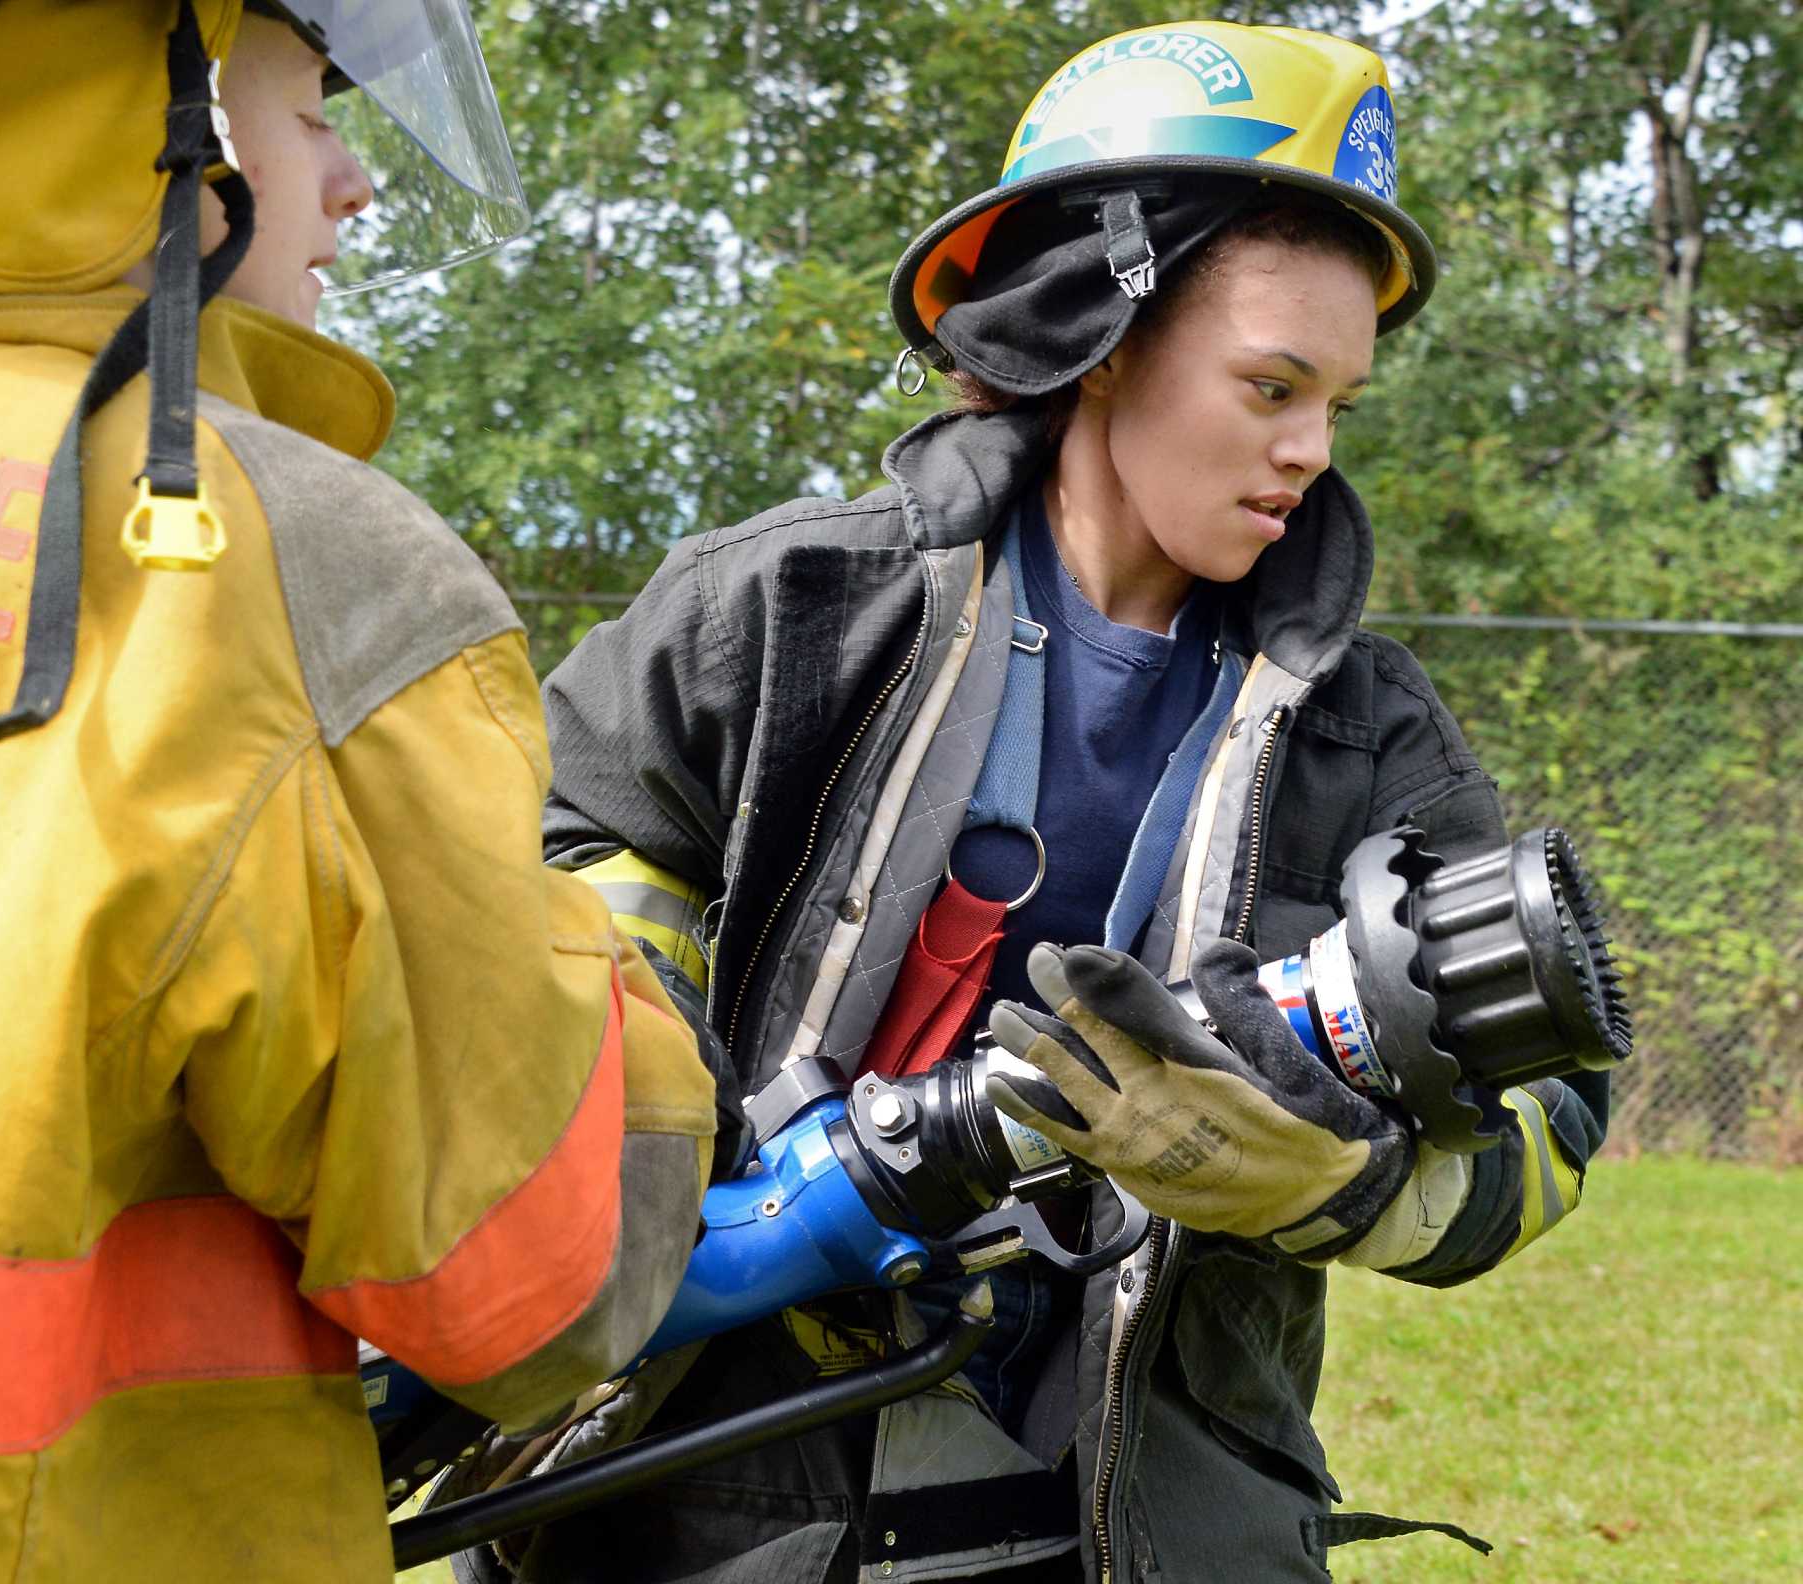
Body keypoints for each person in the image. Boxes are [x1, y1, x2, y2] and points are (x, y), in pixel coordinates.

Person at [486, 20, 1609, 1584]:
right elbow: (529, 886)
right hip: (707, 1494)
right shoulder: (784, 612)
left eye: (1338, 403)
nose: (1309, 452)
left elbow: (1553, 1126)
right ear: (1098, 332)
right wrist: (694, 1112)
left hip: (1148, 1522)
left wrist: (1331, 1181)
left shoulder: (1369, 730)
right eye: (1271, 384)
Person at [0, 2, 716, 1579]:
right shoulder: (307, 569)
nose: (355, 183)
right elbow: (518, 1281)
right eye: (315, 106)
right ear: (172, 121)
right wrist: (643, 1023)